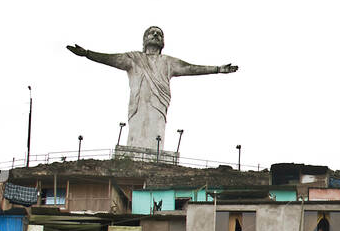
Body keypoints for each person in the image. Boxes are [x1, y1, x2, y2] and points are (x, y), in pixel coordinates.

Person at [67, 26, 237, 151]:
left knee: (156, 133)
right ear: (144, 40)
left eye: (159, 34)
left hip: (159, 103)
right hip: (138, 102)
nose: (155, 35)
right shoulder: (133, 59)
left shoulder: (168, 62)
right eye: (152, 33)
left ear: (163, 42)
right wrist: (88, 53)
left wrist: (217, 69)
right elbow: (110, 58)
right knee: (137, 129)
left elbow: (191, 68)